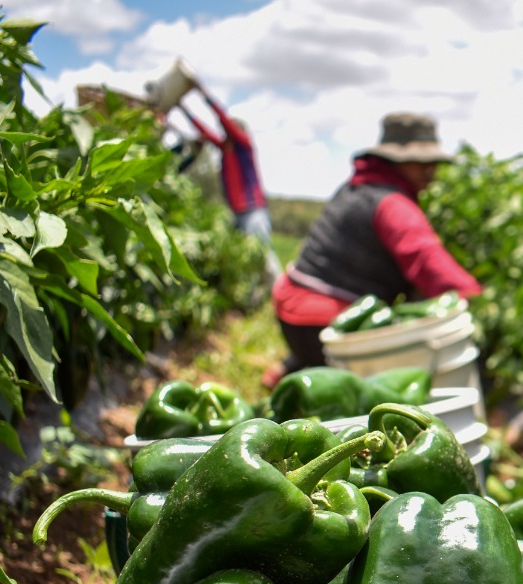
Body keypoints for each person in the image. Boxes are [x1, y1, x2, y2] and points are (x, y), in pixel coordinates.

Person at [263, 112, 482, 389]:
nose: (431, 172)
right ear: (395, 160)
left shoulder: (359, 186)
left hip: (291, 307)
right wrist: (477, 299)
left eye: (433, 163)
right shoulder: (394, 205)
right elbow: (429, 265)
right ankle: (312, 368)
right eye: (419, 163)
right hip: (323, 323)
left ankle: (294, 365)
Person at [172, 82, 282, 293]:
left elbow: (222, 120)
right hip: (238, 212)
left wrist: (204, 95)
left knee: (263, 253)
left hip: (252, 210)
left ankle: (278, 292)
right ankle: (258, 295)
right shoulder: (226, 149)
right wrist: (183, 108)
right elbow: (204, 130)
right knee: (247, 256)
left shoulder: (244, 145)